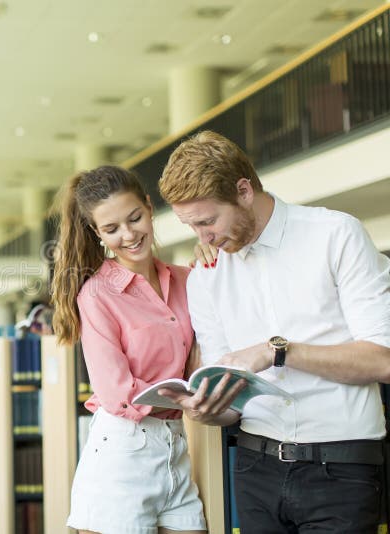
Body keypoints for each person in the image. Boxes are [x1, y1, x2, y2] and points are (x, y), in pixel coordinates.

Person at [158, 130, 390, 533]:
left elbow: (382, 359)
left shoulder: (336, 235)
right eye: (192, 226)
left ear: (244, 190)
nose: (204, 237)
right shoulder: (206, 277)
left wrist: (278, 350)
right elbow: (230, 401)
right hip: (253, 468)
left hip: (342, 468)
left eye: (209, 220)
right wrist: (206, 410)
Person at [50, 165, 207, 534]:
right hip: (123, 453)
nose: (128, 235)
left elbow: (204, 353)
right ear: (96, 233)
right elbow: (116, 391)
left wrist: (218, 266)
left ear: (150, 208)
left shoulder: (187, 279)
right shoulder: (98, 294)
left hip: (176, 448)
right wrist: (186, 399)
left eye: (134, 218)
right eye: (112, 228)